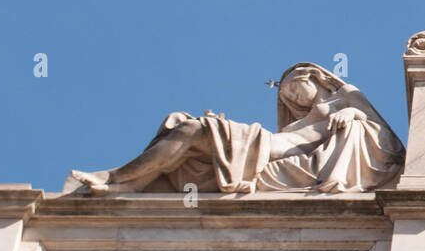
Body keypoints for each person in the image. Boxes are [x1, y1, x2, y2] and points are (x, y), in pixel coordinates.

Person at [69, 62, 404, 195]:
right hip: (260, 145)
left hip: (261, 150)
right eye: (285, 96)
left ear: (315, 77)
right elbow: (286, 138)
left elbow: (390, 147)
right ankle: (120, 180)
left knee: (192, 130)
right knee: (186, 125)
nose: (290, 98)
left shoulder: (347, 99)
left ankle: (116, 180)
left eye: (293, 88)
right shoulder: (301, 121)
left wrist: (355, 119)